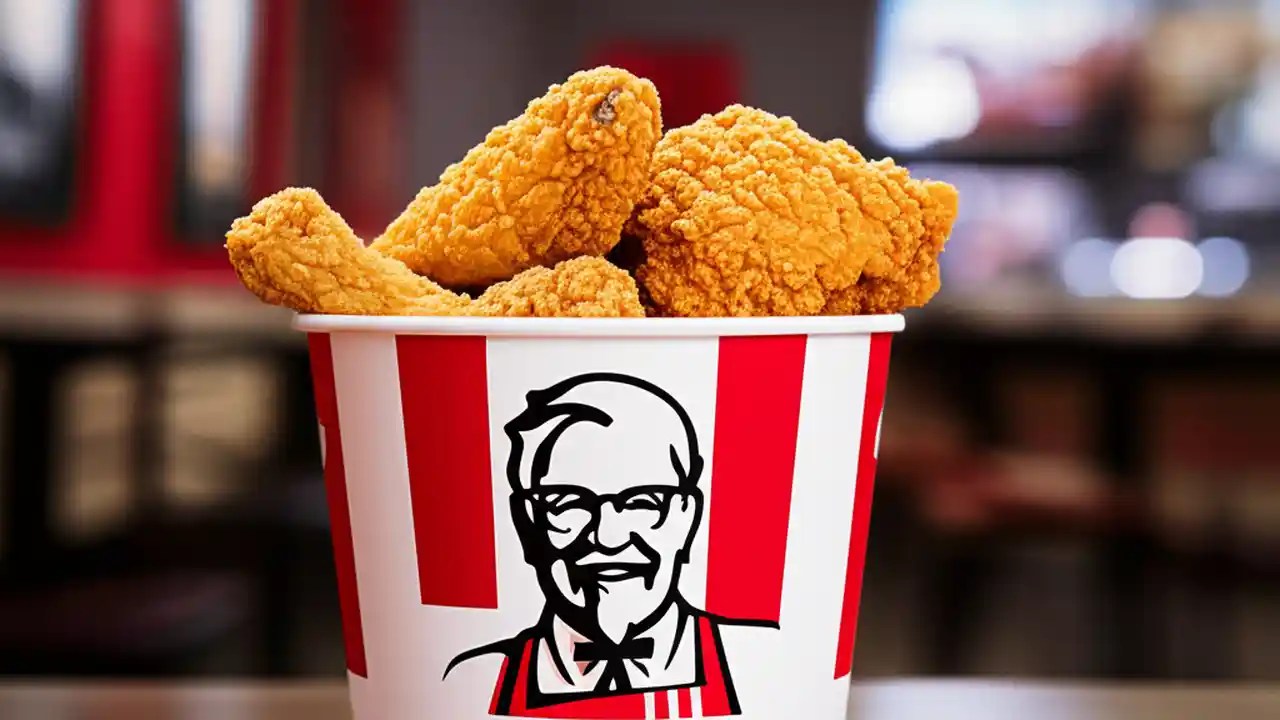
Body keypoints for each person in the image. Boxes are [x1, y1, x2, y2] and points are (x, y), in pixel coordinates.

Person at [448, 373, 749, 717]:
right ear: (527, 524)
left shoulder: (754, 659)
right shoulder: (477, 679)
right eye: (568, 503)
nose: (608, 538)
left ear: (687, 518)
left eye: (643, 502)